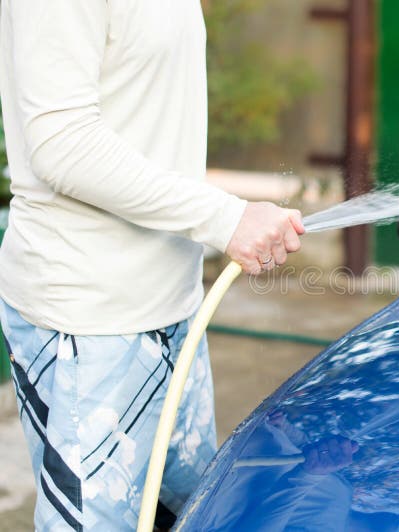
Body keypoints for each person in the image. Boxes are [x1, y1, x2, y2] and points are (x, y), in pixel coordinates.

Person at [0, 1, 304, 530]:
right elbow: (61, 143)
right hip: (92, 321)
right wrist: (224, 217)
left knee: (186, 514)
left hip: (174, 307)